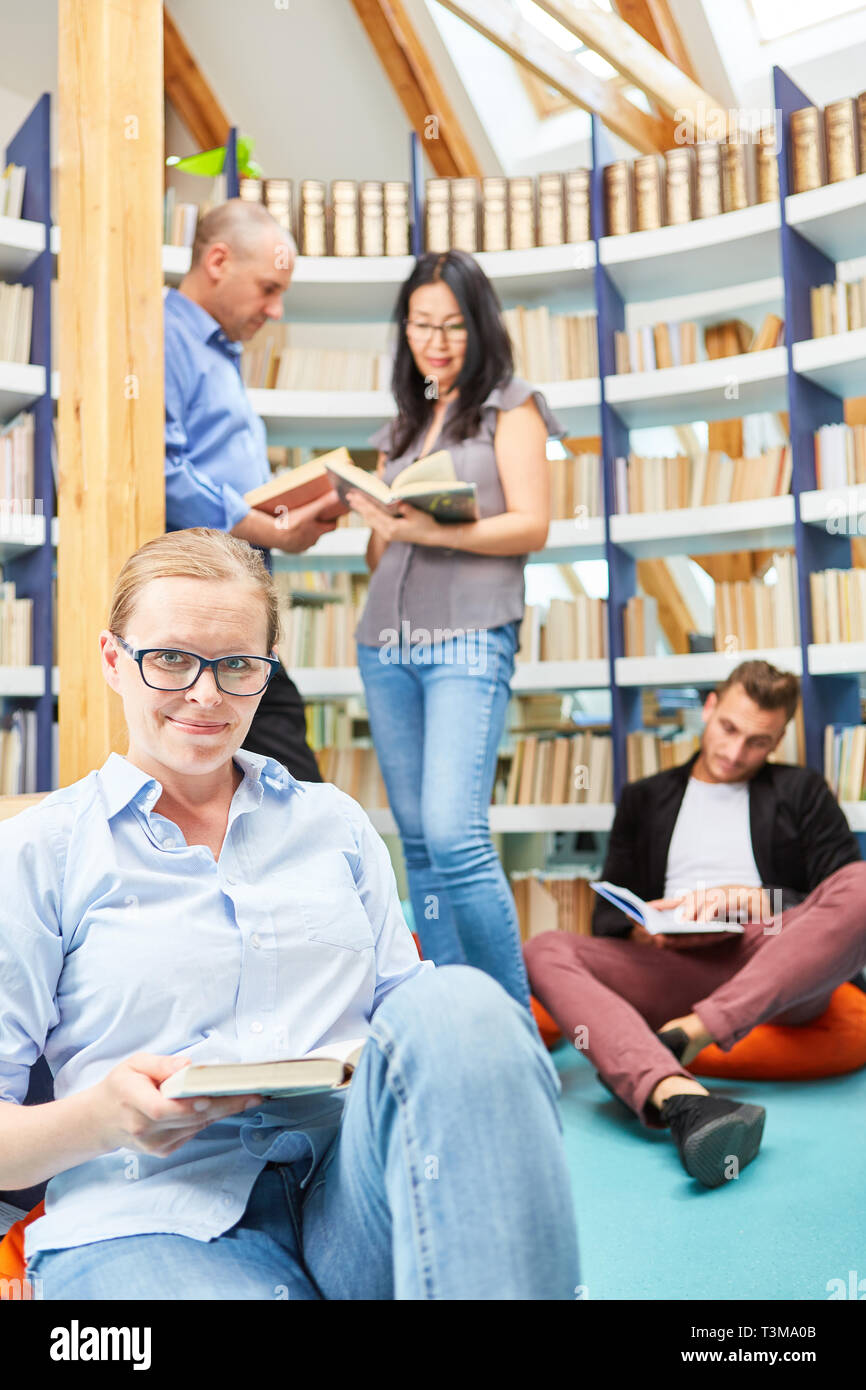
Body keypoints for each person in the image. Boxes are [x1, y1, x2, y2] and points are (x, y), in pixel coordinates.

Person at [0, 528, 579, 1300]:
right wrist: (106, 1119)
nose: (205, 695)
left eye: (238, 665)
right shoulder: (43, 850)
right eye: (170, 659)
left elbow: (418, 1027)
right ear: (114, 660)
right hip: (147, 1213)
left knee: (463, 1005)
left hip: (351, 1198)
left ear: (267, 671)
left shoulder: (334, 824)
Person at [525, 660, 866, 1189]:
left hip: (773, 960)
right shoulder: (646, 797)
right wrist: (646, 926)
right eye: (729, 729)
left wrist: (755, 900)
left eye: (758, 742)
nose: (735, 753)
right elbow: (608, 914)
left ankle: (688, 1035)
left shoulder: (801, 791)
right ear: (709, 708)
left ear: (776, 742)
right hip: (671, 964)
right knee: (545, 948)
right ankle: (684, 1101)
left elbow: (833, 899)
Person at [349, 249, 562, 1010]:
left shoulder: (513, 404)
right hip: (385, 643)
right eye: (419, 324)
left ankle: (509, 1027)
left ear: (480, 324)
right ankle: (453, 1025)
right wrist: (379, 517)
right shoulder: (404, 422)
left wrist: (435, 533)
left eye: (452, 325)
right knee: (418, 848)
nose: (435, 342)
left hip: (470, 636)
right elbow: (385, 552)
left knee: (455, 834)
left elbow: (531, 524)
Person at [164, 198, 339, 782]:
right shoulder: (164, 335)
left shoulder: (221, 351)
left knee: (262, 767)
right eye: (268, 288)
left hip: (232, 590)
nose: (277, 309)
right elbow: (163, 470)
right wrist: (266, 528)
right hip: (199, 596)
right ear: (218, 259)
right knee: (286, 757)